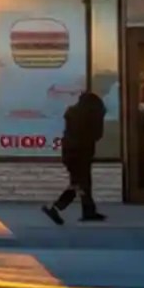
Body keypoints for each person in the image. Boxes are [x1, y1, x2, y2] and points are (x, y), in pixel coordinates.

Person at [42, 90, 107, 225]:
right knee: (79, 184)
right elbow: (97, 135)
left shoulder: (72, 112)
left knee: (82, 184)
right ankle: (55, 208)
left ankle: (88, 211)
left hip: (70, 153)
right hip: (81, 153)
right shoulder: (90, 115)